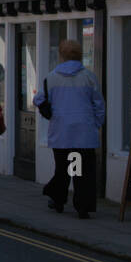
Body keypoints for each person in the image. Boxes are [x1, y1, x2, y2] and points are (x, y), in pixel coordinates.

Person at [36, 38, 106, 219]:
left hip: (61, 131)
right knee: (82, 171)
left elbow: (39, 99)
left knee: (63, 168)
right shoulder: (89, 77)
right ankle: (83, 205)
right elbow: (98, 104)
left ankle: (57, 198)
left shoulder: (51, 77)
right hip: (84, 132)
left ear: (61, 55)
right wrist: (96, 123)